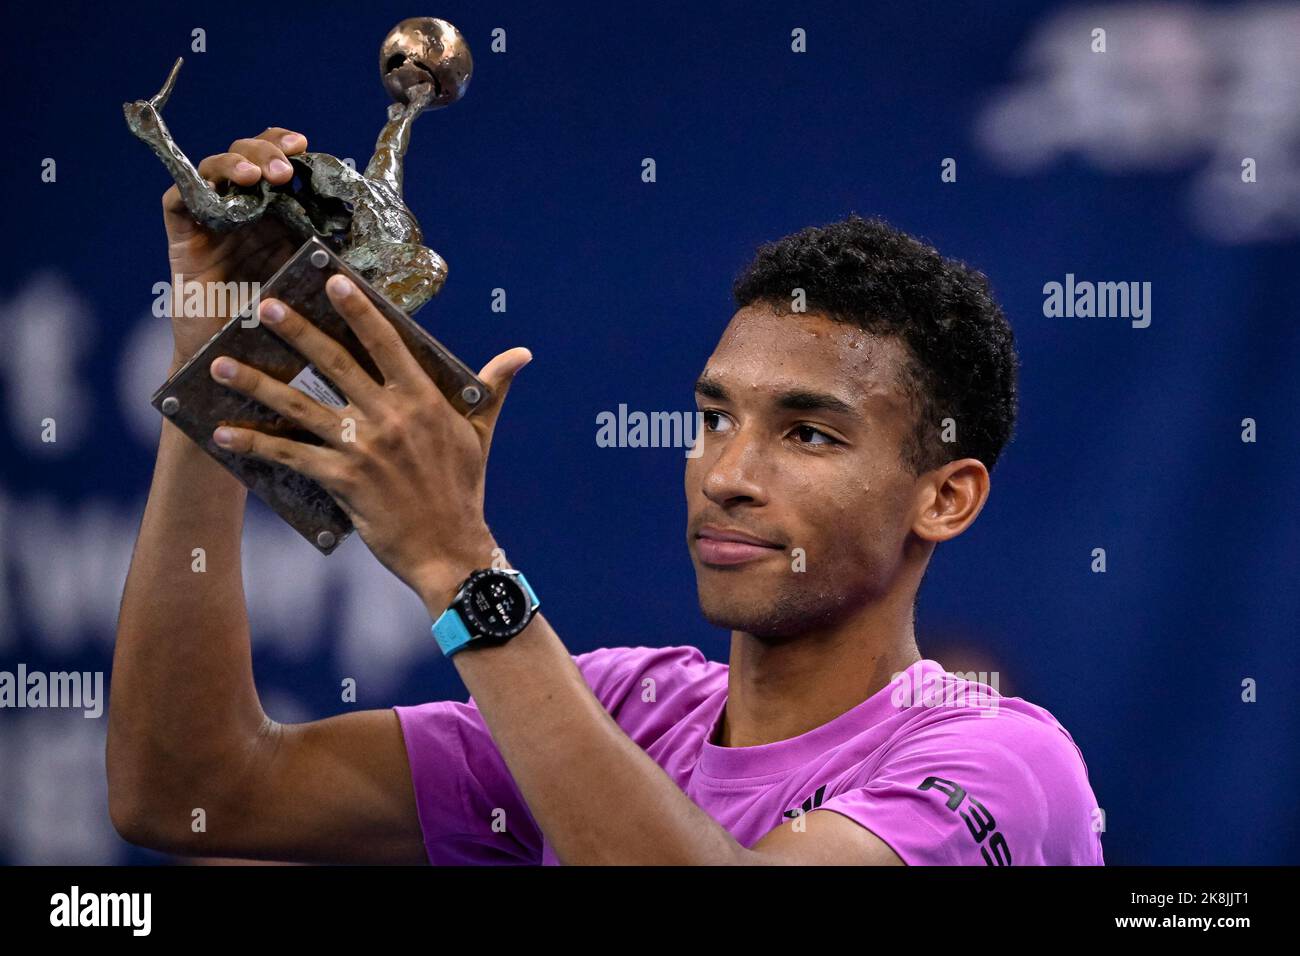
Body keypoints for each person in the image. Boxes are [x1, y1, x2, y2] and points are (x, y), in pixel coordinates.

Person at [109, 126, 1104, 866]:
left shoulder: (1000, 760)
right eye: (714, 417)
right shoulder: (623, 711)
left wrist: (462, 567)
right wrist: (219, 370)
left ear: (945, 498)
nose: (725, 475)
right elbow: (193, 787)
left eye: (807, 433)